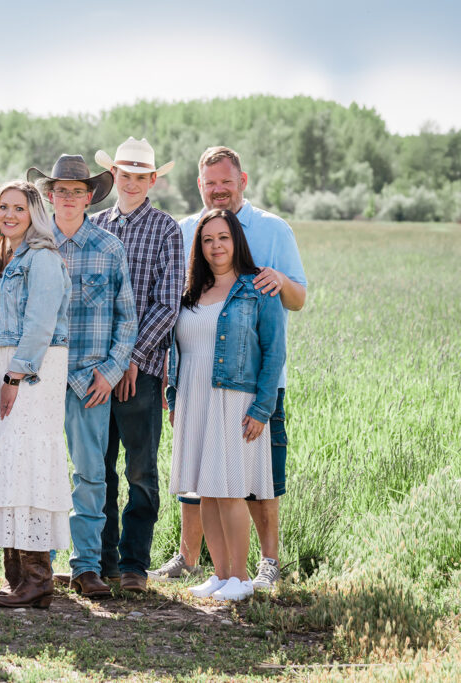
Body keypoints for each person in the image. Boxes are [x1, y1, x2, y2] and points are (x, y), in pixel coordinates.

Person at [151, 146, 307, 590]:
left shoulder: (273, 232)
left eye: (226, 181)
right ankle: (200, 563)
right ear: (200, 186)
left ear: (242, 180)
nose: (218, 190)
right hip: (195, 384)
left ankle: (264, 564)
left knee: (254, 479)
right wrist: (173, 389)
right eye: (210, 183)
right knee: (206, 482)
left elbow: (294, 305)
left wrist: (280, 281)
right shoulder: (184, 230)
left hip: (248, 383)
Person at [26, 155, 137, 598]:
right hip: (41, 380)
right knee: (42, 471)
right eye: (60, 191)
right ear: (49, 195)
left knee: (91, 474)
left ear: (89, 196)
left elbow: (126, 319)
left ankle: (86, 566)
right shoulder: (33, 245)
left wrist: (110, 373)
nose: (68, 198)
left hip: (90, 382)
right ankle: (42, 565)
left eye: (77, 191)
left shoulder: (108, 247)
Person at [167, 208, 286, 602]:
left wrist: (262, 408)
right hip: (194, 396)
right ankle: (220, 576)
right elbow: (178, 352)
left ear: (236, 241)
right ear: (199, 248)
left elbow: (274, 354)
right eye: (207, 240)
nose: (215, 246)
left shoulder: (258, 289)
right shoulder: (191, 293)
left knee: (231, 490)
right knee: (207, 491)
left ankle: (240, 578)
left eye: (223, 237)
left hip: (236, 399)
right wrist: (173, 397)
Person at [0, 180, 72, 609]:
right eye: (4, 207)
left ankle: (37, 577)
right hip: (4, 362)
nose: (9, 215)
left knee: (26, 459)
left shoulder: (43, 257)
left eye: (19, 208)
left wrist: (14, 375)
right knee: (8, 460)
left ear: (34, 214)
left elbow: (41, 323)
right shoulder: (7, 256)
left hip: (29, 369)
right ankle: (20, 579)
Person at [89, 138, 184, 592]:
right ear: (114, 178)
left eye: (139, 176)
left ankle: (133, 567)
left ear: (152, 180)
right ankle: (102, 562)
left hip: (140, 373)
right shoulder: (92, 225)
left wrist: (130, 358)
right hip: (92, 371)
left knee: (141, 470)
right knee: (97, 466)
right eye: (123, 175)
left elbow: (167, 304)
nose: (130, 182)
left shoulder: (166, 229)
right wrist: (105, 363)